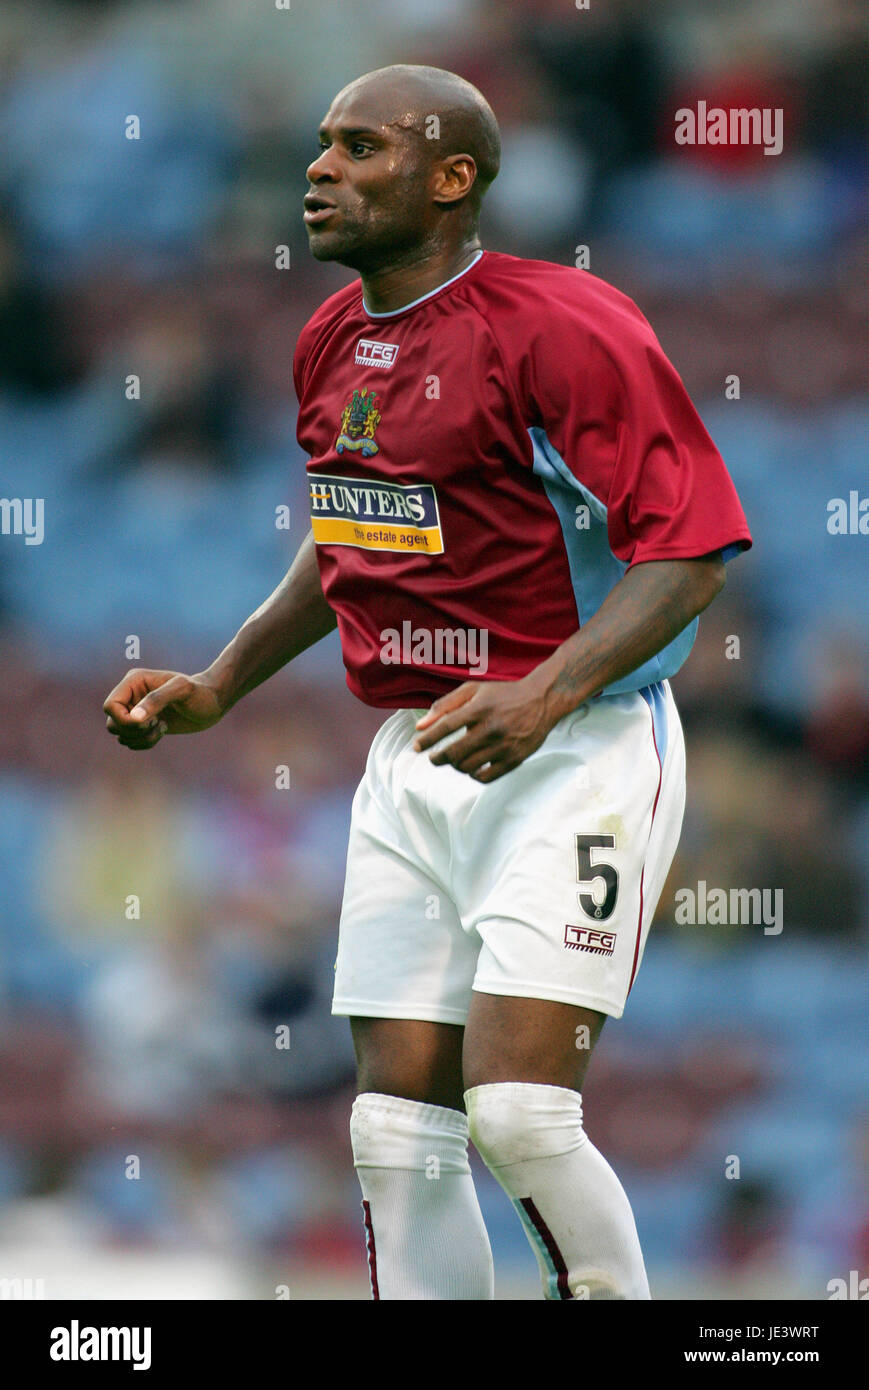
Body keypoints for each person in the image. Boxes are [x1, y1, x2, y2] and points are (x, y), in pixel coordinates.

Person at [104, 64, 752, 1300]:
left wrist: (545, 693)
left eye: (360, 147)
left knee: (516, 1110)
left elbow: (694, 545)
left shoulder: (564, 322)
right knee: (393, 1133)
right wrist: (223, 683)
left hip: (579, 746)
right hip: (414, 756)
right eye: (319, 146)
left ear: (452, 179)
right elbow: (356, 532)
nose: (321, 170)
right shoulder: (329, 341)